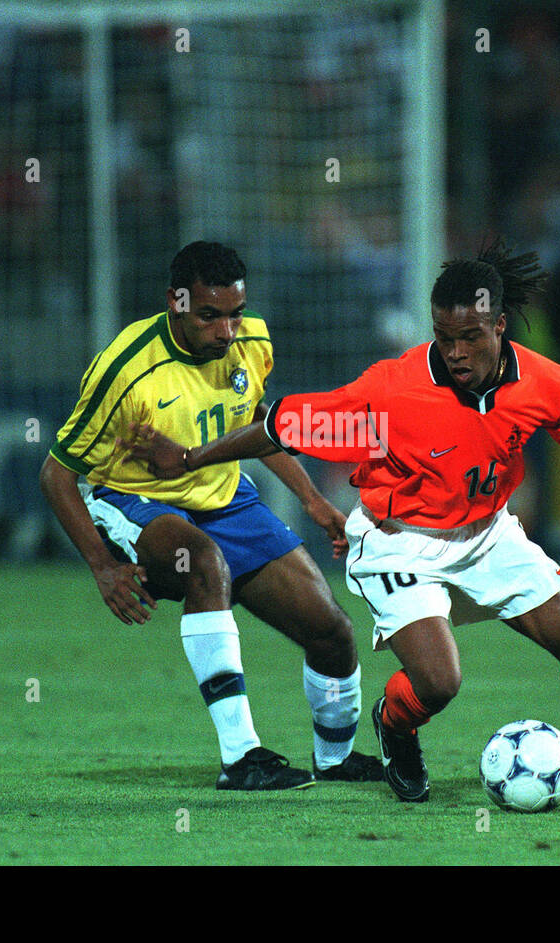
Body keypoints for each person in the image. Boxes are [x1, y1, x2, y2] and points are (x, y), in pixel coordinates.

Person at [127, 238, 560, 802]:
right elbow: (281, 425)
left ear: (499, 328)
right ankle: (395, 724)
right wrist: (192, 458)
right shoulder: (393, 389)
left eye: (471, 337)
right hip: (399, 543)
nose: (457, 352)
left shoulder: (544, 383)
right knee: (440, 683)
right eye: (445, 338)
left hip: (489, 534)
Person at [39, 240, 382, 791]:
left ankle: (334, 757)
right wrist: (102, 565)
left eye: (234, 313)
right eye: (209, 316)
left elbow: (259, 426)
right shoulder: (124, 369)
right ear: (175, 303)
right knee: (204, 563)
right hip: (136, 499)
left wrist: (312, 499)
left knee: (332, 631)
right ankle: (241, 757)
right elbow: (56, 474)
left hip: (226, 499)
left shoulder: (252, 342)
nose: (225, 331)